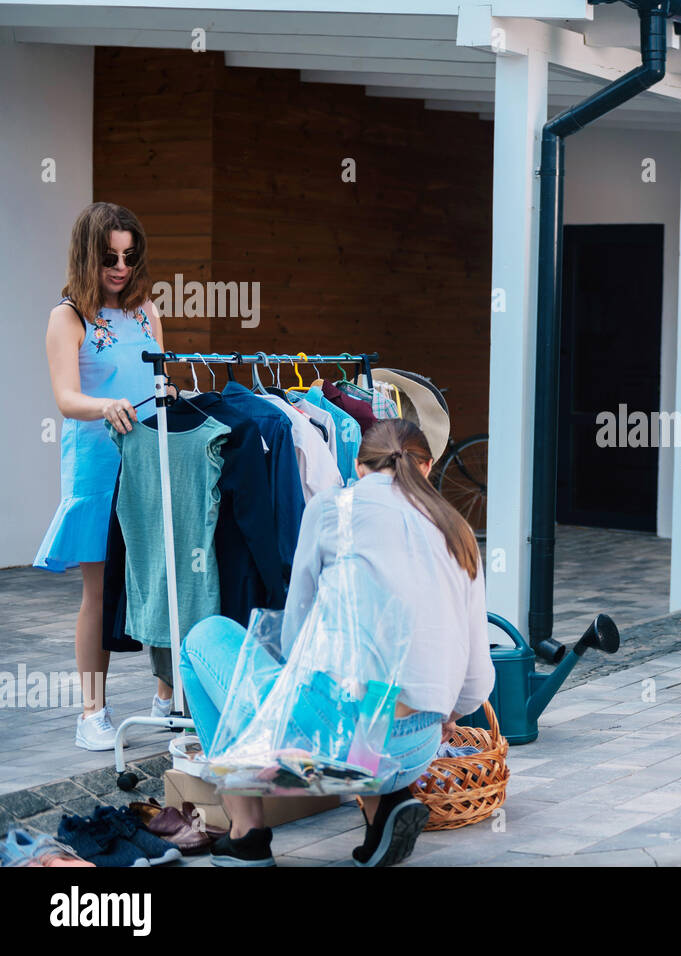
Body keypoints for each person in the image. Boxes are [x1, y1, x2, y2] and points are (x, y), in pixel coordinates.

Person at [178, 419, 495, 867]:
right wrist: (450, 715)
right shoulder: (458, 530)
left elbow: (296, 634)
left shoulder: (334, 509)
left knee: (204, 638)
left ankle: (246, 830)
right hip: (420, 744)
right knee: (375, 684)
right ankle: (384, 803)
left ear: (359, 468)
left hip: (335, 742)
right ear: (426, 468)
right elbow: (478, 673)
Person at [35, 202, 172, 750]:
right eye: (110, 257)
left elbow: (159, 383)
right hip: (96, 462)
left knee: (162, 579)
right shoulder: (66, 316)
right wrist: (105, 405)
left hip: (151, 456)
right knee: (100, 590)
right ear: (88, 254)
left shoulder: (147, 311)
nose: (120, 267)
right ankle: (92, 711)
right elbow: (66, 398)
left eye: (129, 256)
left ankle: (166, 698)